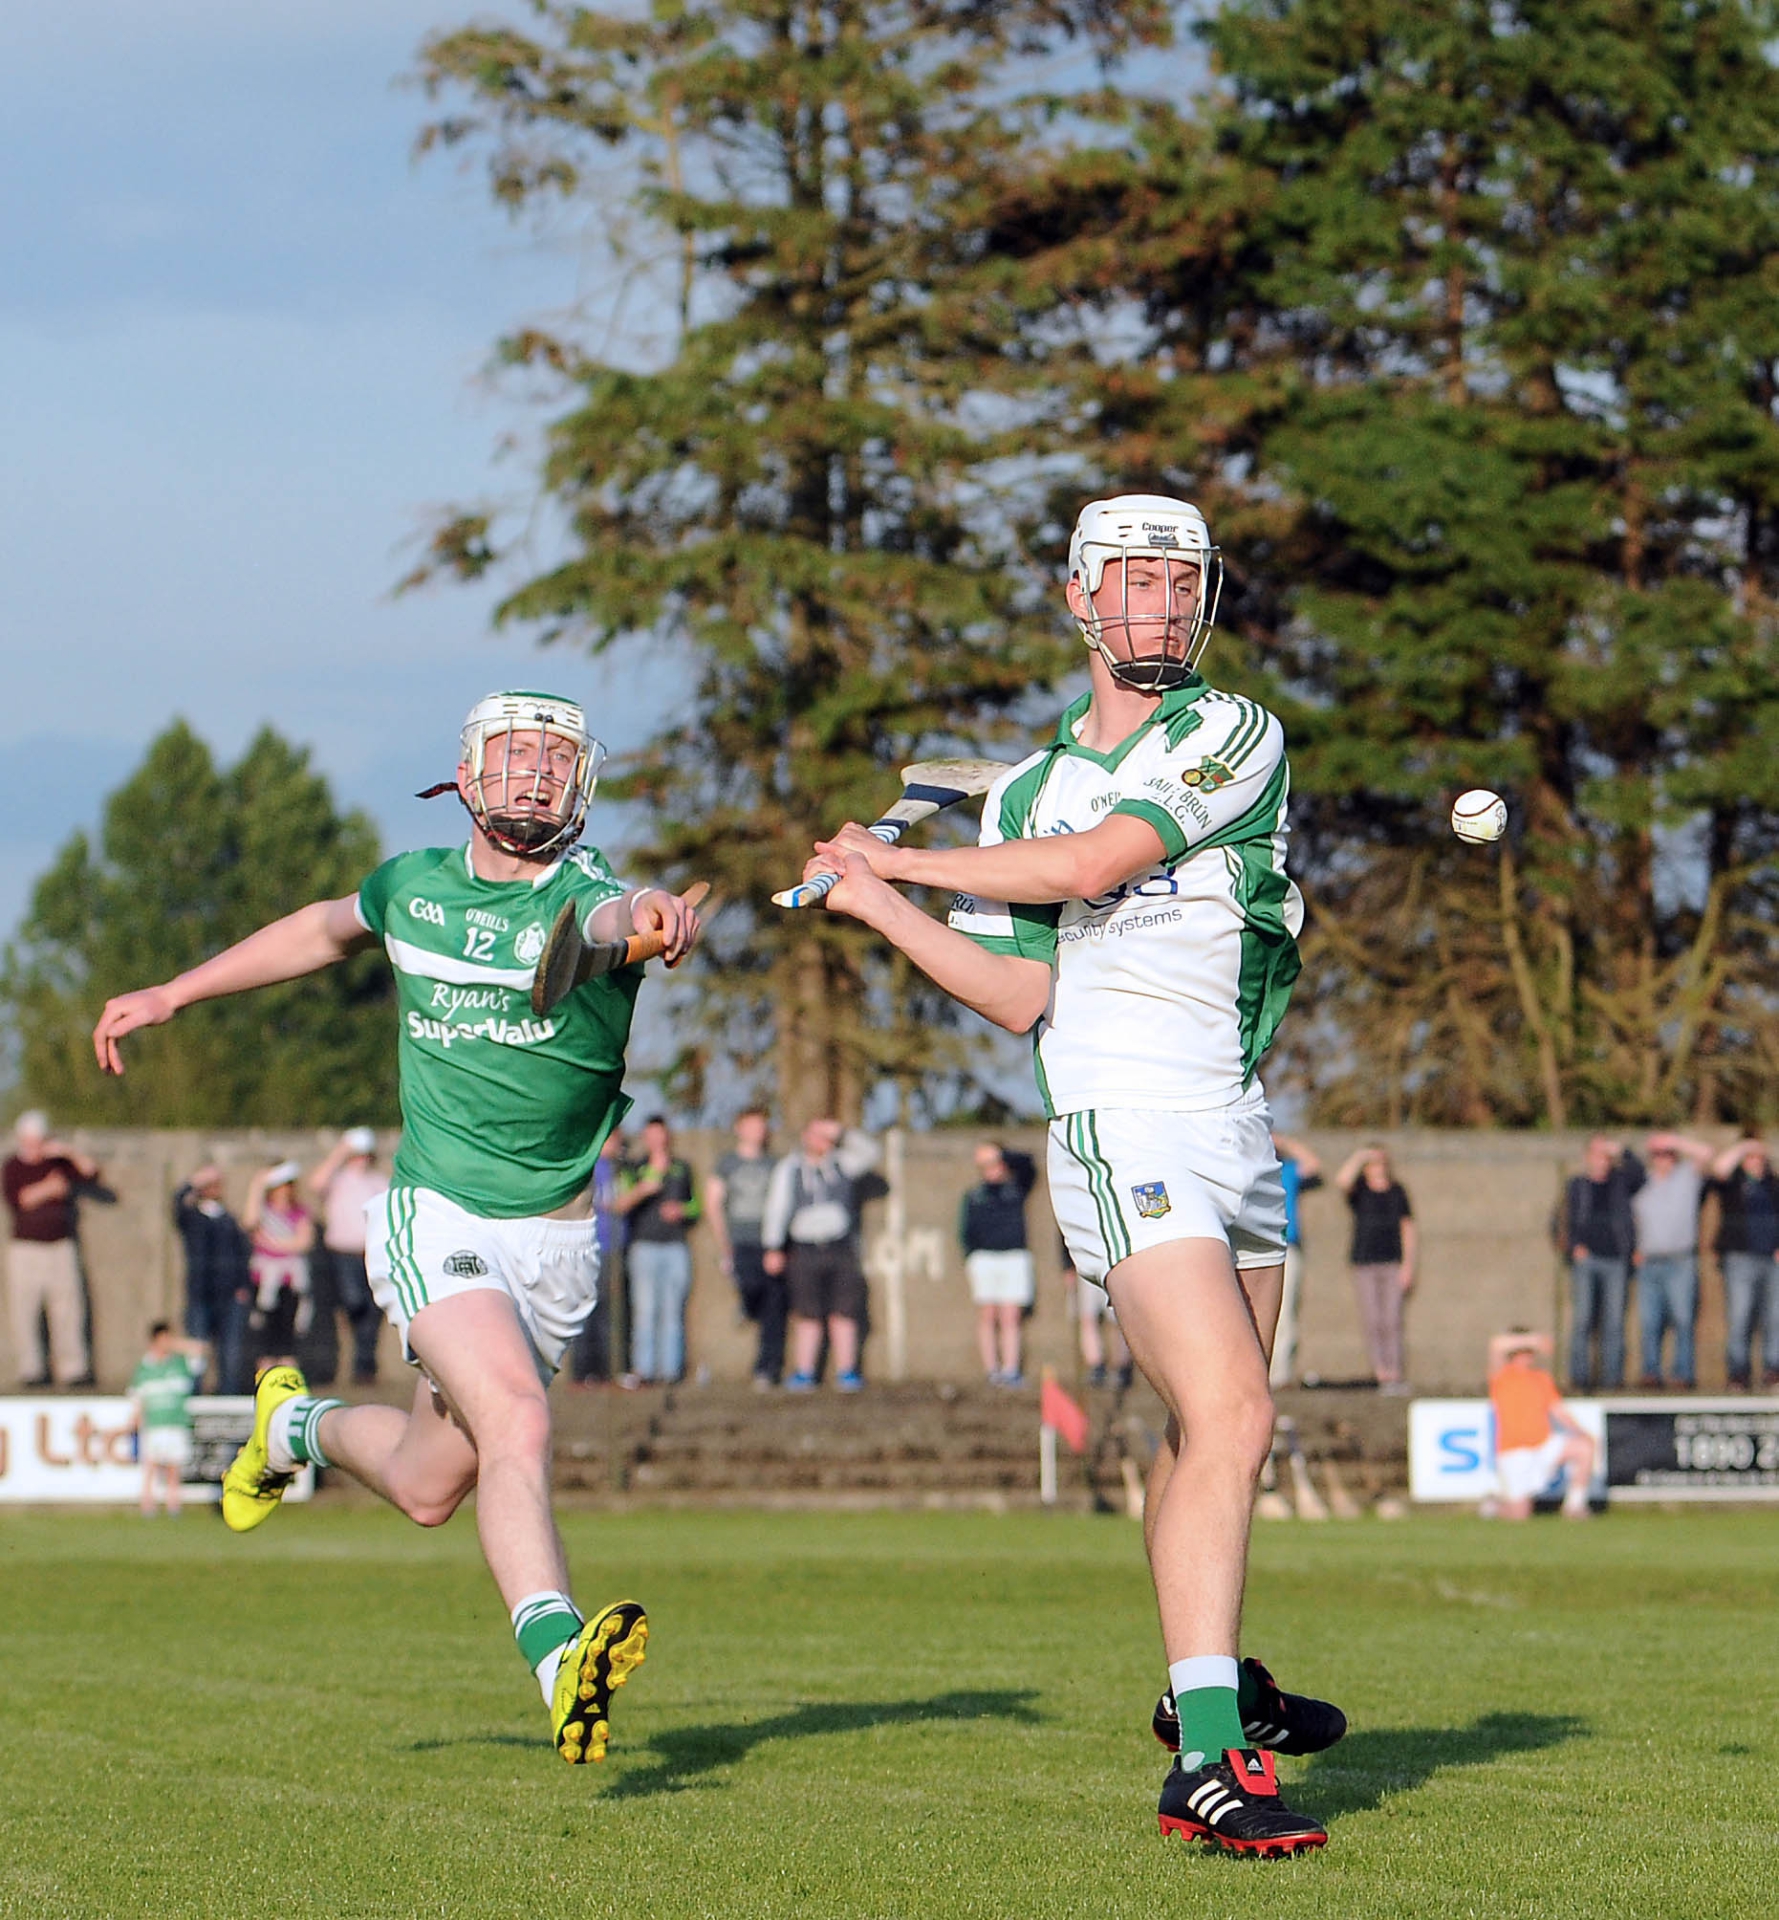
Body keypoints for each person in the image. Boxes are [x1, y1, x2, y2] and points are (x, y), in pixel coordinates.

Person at [799, 493, 1339, 1853]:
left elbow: (1104, 859)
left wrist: (898, 857)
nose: (1158, 607)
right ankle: (1209, 1759)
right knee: (1231, 1419)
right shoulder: (1023, 792)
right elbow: (1019, 995)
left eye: (1179, 585)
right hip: (1117, 1124)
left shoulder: (1228, 732)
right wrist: (880, 907)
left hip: (1230, 1125)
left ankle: (1198, 1683)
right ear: (1078, 599)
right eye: (1133, 583)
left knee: (1207, 1427)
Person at [91, 688, 701, 1766]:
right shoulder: (409, 890)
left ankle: (291, 1431)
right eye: (517, 757)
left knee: (428, 1484)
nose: (537, 777)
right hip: (436, 1210)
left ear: (581, 785)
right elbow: (322, 931)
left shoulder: (591, 895)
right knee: (517, 1420)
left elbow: (615, 915)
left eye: (557, 763)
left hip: (555, 1244)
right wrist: (174, 993)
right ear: (467, 776)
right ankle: (565, 1662)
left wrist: (658, 914)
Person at [762, 1119, 880, 1394]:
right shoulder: (790, 1168)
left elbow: (872, 1153)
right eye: (816, 1135)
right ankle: (805, 1372)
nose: (821, 1141)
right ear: (805, 1136)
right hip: (804, 1249)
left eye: (825, 1136)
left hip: (840, 1248)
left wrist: (842, 1132)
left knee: (845, 1312)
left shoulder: (843, 1163)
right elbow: (777, 1209)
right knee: (807, 1313)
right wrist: (773, 1247)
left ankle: (847, 1371)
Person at [1, 1111, 97, 1388]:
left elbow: (90, 1172)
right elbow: (21, 1199)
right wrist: (49, 1188)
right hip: (26, 1249)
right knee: (24, 1310)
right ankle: (31, 1369)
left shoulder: (59, 1162)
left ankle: (72, 1369)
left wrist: (65, 1151)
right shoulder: (13, 1166)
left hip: (61, 1246)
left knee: (68, 1309)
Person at [618, 1118, 701, 1385]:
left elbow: (696, 1206)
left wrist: (682, 1211)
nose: (657, 1140)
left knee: (672, 1310)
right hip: (643, 1247)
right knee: (645, 1310)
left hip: (675, 1247)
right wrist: (652, 1176)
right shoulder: (634, 1167)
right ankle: (644, 1370)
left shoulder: (683, 1167)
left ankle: (670, 1371)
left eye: (661, 1134)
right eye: (651, 1135)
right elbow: (622, 1202)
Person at [1559, 1136, 1644, 1391]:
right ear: (1587, 1157)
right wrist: (1574, 1247)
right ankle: (1580, 1377)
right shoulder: (1576, 1185)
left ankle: (1612, 1378)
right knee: (1583, 1319)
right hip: (1587, 1261)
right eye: (1597, 1154)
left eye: (1605, 1155)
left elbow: (1639, 1172)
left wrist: (1621, 1148)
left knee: (1614, 1321)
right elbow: (1560, 1221)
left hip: (1616, 1260)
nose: (1601, 1160)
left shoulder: (1620, 1183)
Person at [1629, 1132, 1713, 1391]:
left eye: (1666, 1155)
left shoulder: (1686, 1177)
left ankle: (1683, 1373)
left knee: (1683, 1319)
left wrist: (1674, 1141)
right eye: (1657, 1155)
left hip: (1680, 1261)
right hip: (1649, 1261)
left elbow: (1706, 1154)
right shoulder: (1642, 1183)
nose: (1662, 1160)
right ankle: (1651, 1372)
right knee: (1650, 1322)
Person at [707, 1109, 784, 1389]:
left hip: (770, 1242)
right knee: (750, 1288)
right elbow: (713, 1203)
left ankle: (767, 1368)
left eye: (762, 1125)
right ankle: (746, 1308)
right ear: (739, 1128)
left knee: (774, 1307)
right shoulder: (727, 1163)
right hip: (740, 1241)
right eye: (752, 1125)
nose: (757, 1131)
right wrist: (723, 1245)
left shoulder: (775, 1164)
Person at [308, 1129, 390, 1384]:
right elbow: (316, 1183)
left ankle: (364, 1366)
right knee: (353, 1303)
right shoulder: (339, 1179)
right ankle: (359, 1360)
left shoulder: (378, 1181)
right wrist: (340, 1152)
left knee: (372, 1311)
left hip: (371, 1253)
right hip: (342, 1254)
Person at [1485, 1330, 1594, 1520]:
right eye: (1524, 1351)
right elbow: (1496, 1344)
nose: (1528, 1356)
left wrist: (1580, 1431)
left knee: (1584, 1447)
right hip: (1514, 1452)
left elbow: (1558, 1411)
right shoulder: (1501, 1376)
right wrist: (1534, 1339)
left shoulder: (1541, 1378)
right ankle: (1493, 1506)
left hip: (1543, 1445)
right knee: (1520, 1514)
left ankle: (1574, 1506)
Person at [1334, 1145, 1416, 1391]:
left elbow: (1407, 1227)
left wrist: (1408, 1264)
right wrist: (1359, 1155)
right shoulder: (1359, 1191)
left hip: (1392, 1261)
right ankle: (1380, 1371)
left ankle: (1394, 1372)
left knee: (1392, 1319)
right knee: (1373, 1319)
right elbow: (1341, 1181)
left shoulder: (1398, 1191)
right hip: (1364, 1262)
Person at [958, 1141, 1038, 1387]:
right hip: (984, 1258)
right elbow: (964, 1231)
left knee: (1010, 1315)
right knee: (988, 1314)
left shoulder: (1017, 1188)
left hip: (1014, 1256)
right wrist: (971, 1256)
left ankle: (1011, 1369)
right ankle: (991, 1370)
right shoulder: (974, 1195)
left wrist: (1000, 1152)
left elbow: (1028, 1162)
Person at [172, 1164, 253, 1393]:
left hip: (230, 1294)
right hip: (200, 1292)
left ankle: (228, 1394)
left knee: (230, 1351)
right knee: (196, 1348)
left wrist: (243, 1286)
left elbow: (242, 1255)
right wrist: (194, 1180)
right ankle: (194, 1392)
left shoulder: (228, 1219)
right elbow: (176, 1202)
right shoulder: (192, 1218)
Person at [1706, 1135, 1779, 1391]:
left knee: (1774, 1318)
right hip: (1739, 1259)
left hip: (1772, 1261)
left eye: (1760, 1156)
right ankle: (1738, 1373)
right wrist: (1745, 1146)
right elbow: (1718, 1168)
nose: (1756, 1161)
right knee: (1740, 1317)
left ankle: (1773, 1372)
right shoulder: (1733, 1184)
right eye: (1751, 1157)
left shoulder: (1772, 1184)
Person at [129, 1321, 208, 1517]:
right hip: (155, 1424)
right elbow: (137, 1397)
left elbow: (200, 1349)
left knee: (174, 1467)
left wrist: (176, 1345)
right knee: (151, 1466)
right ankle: (148, 1506)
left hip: (176, 1423)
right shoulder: (145, 1367)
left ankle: (173, 1506)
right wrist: (137, 1419)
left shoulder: (181, 1363)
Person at [570, 1130, 629, 1386]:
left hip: (614, 1248)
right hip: (588, 1248)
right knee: (587, 1310)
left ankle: (608, 1369)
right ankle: (584, 1371)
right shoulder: (589, 1168)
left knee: (610, 1310)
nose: (616, 1145)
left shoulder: (620, 1169)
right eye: (612, 1139)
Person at [243, 1161, 315, 1370]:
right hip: (265, 1282)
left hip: (291, 1282)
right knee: (264, 1335)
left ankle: (288, 1384)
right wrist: (257, 1185)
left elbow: (304, 1242)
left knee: (288, 1337)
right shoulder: (263, 1211)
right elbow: (250, 1222)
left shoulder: (300, 1212)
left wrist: (273, 1244)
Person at [1269, 1132, 1323, 1389]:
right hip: (1255, 1245)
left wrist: (1285, 1143)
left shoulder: (1287, 1170)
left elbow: (1313, 1164)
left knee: (1286, 1310)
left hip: (1287, 1245)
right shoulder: (1249, 1168)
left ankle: (1281, 1372)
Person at [1068, 1230, 1130, 1390]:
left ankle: (1121, 1367)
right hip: (1086, 1266)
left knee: (1117, 1320)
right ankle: (1095, 1366)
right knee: (1087, 1317)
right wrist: (1067, 1265)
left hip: (1115, 1263)